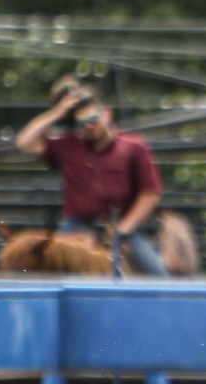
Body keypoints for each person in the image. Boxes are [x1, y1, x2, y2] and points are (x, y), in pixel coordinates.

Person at [13, 76, 167, 275]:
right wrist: (59, 111)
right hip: (75, 225)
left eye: (93, 119)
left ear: (107, 114)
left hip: (120, 226)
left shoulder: (133, 147)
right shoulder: (67, 146)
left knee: (159, 277)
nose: (88, 126)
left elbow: (150, 192)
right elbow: (24, 142)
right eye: (82, 122)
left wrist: (123, 228)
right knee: (46, 269)